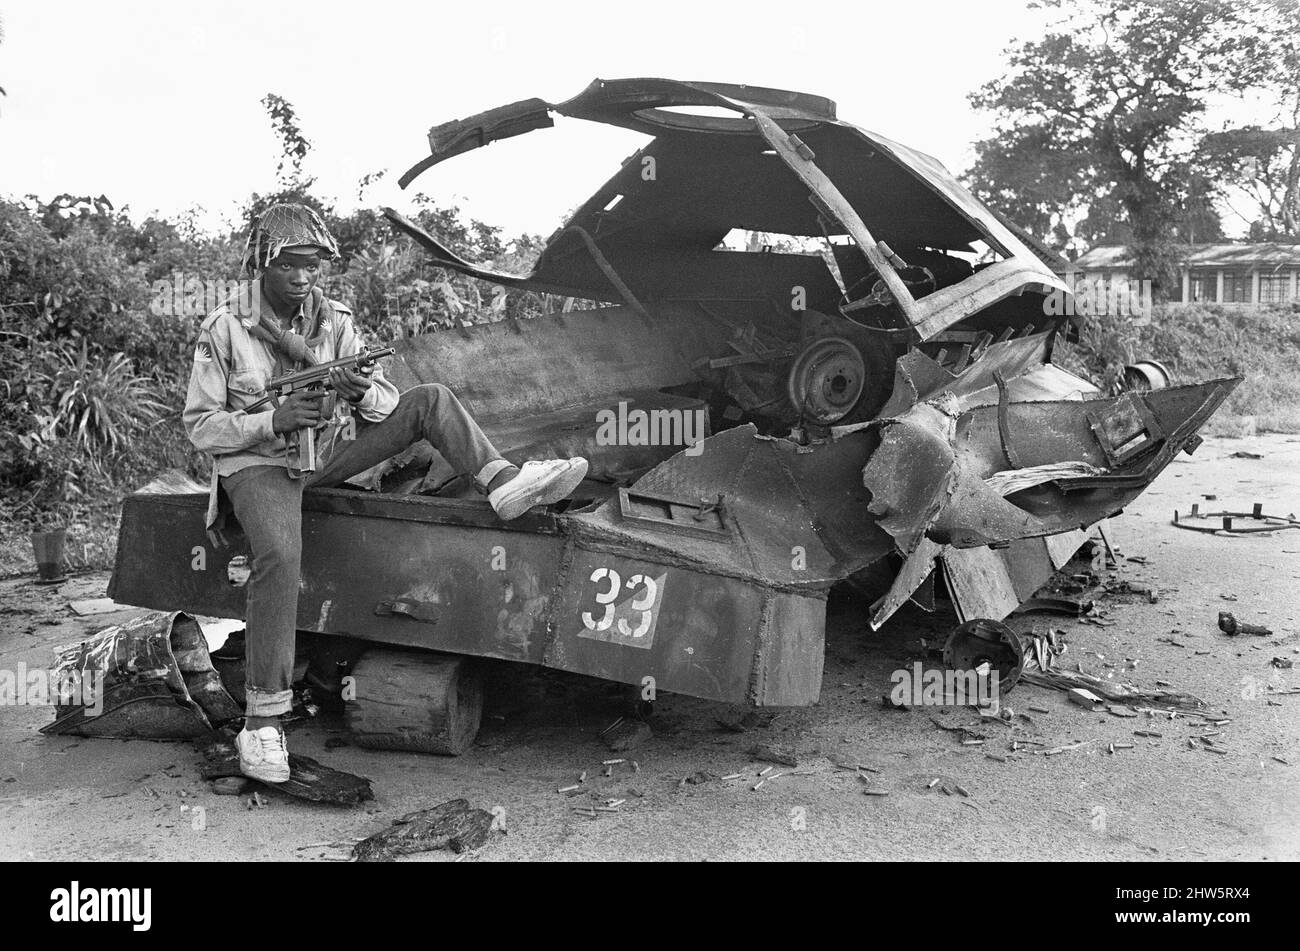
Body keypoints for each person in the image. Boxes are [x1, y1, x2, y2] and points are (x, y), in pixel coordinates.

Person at [183, 203, 587, 783]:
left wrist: (359, 390)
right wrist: (272, 421)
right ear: (263, 263)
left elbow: (390, 408)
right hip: (260, 462)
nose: (303, 278)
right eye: (291, 266)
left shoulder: (334, 319)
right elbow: (200, 426)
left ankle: (502, 482)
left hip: (324, 452)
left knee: (431, 399)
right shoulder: (224, 327)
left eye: (313, 267)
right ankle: (262, 724)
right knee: (279, 554)